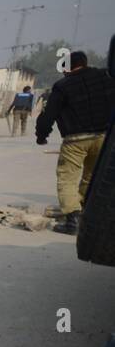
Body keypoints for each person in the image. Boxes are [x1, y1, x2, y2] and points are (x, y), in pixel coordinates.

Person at [35, 51, 115, 235]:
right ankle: (87, 215)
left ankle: (73, 220)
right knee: (92, 178)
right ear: (85, 62)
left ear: (67, 67)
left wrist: (42, 136)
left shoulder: (63, 86)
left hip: (76, 140)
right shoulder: (107, 77)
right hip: (104, 137)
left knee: (67, 179)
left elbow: (48, 115)